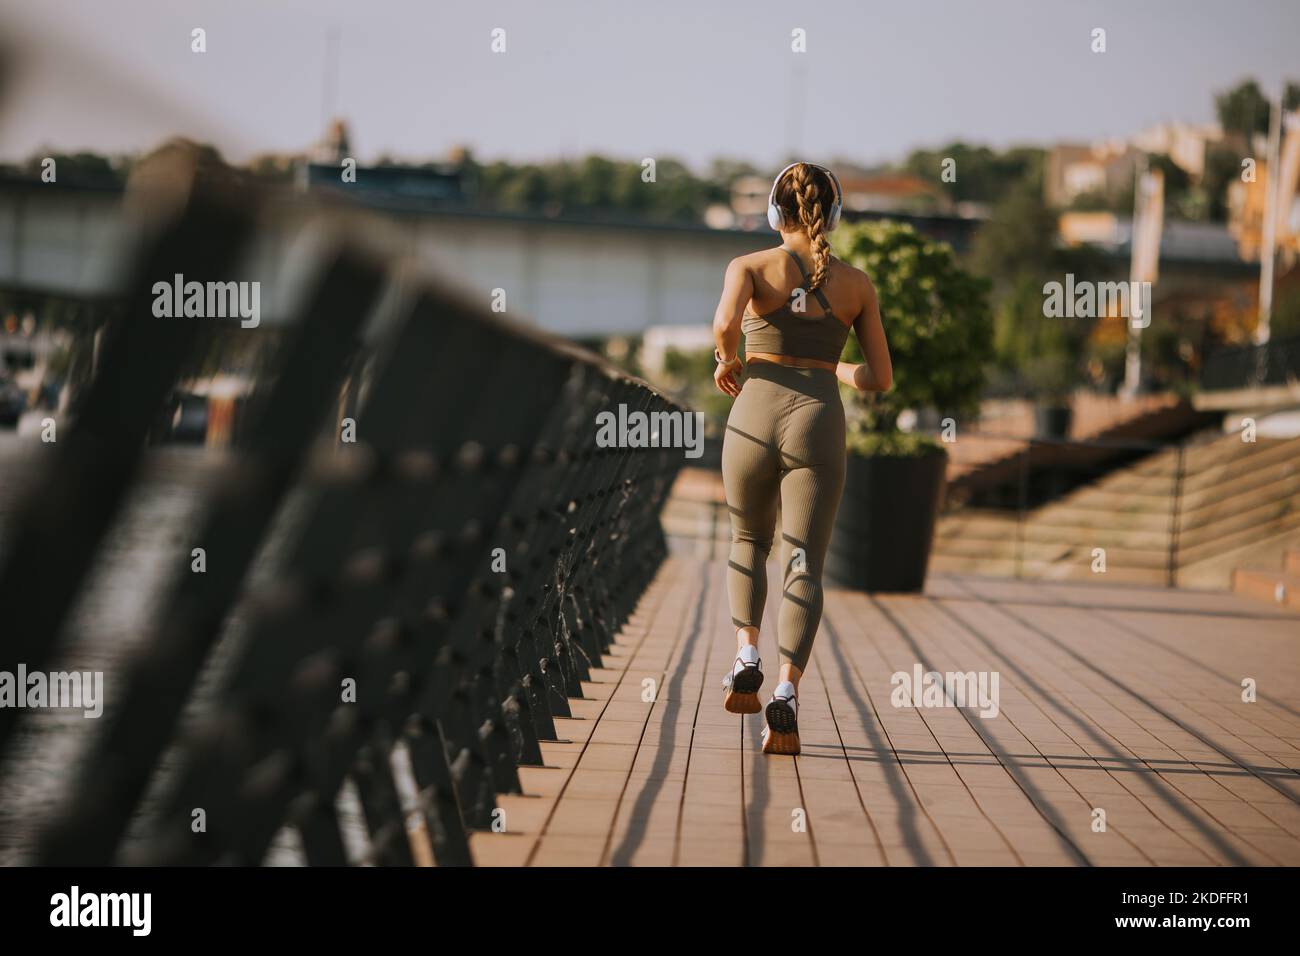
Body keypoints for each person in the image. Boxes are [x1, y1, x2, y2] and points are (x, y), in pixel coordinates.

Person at [712, 162, 893, 755]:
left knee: (747, 541)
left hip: (753, 414)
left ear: (773, 212)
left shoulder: (749, 267)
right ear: (834, 215)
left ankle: (746, 653)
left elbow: (723, 326)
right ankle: (785, 697)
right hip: (818, 420)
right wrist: (835, 368)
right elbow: (880, 378)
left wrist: (726, 359)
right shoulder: (857, 285)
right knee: (804, 564)